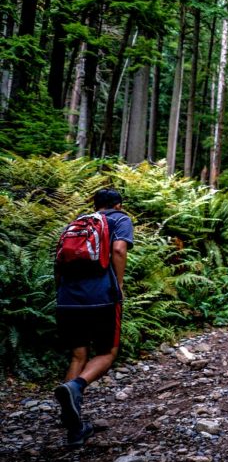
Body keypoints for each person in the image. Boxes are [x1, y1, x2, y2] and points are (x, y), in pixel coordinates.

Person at [53, 188, 134, 447]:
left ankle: (73, 426)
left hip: (68, 297)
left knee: (78, 355)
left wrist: (60, 291)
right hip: (101, 298)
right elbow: (119, 250)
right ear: (118, 205)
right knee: (107, 352)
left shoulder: (78, 222)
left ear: (94, 204)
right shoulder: (120, 219)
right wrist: (118, 285)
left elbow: (58, 261)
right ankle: (76, 386)